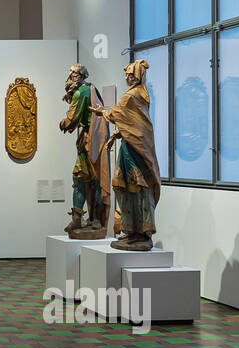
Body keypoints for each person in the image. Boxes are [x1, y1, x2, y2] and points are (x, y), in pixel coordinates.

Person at [93, 60, 162, 251]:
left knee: (135, 188)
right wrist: (116, 134)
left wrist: (102, 113)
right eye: (126, 75)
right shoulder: (141, 95)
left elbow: (119, 115)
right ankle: (132, 231)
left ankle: (141, 232)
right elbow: (133, 125)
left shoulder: (132, 95)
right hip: (131, 147)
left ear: (139, 76)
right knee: (127, 188)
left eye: (131, 75)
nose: (127, 78)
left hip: (133, 150)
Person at [57, 63, 110, 238]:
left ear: (82, 76)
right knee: (91, 179)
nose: (72, 75)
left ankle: (80, 218)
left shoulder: (81, 92)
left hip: (91, 141)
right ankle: (92, 219)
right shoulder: (90, 88)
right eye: (71, 72)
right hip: (93, 138)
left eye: (76, 73)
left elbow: (72, 119)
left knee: (82, 178)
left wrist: (62, 123)